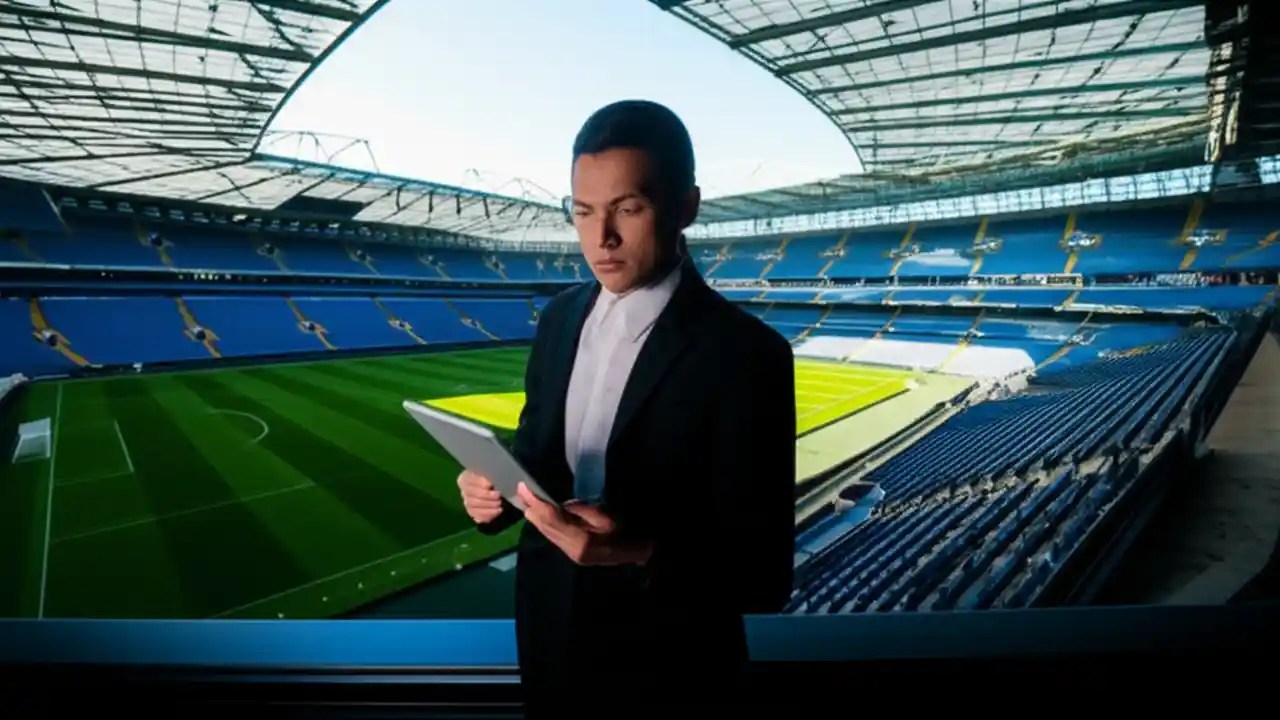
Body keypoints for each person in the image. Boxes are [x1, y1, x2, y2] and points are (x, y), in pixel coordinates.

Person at [455, 99, 796, 710]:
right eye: (583, 212)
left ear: (686, 207)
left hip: (672, 677)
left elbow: (764, 576)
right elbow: (536, 462)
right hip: (547, 648)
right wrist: (494, 495)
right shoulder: (559, 318)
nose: (601, 238)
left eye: (628, 209)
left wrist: (637, 550)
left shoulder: (749, 354)